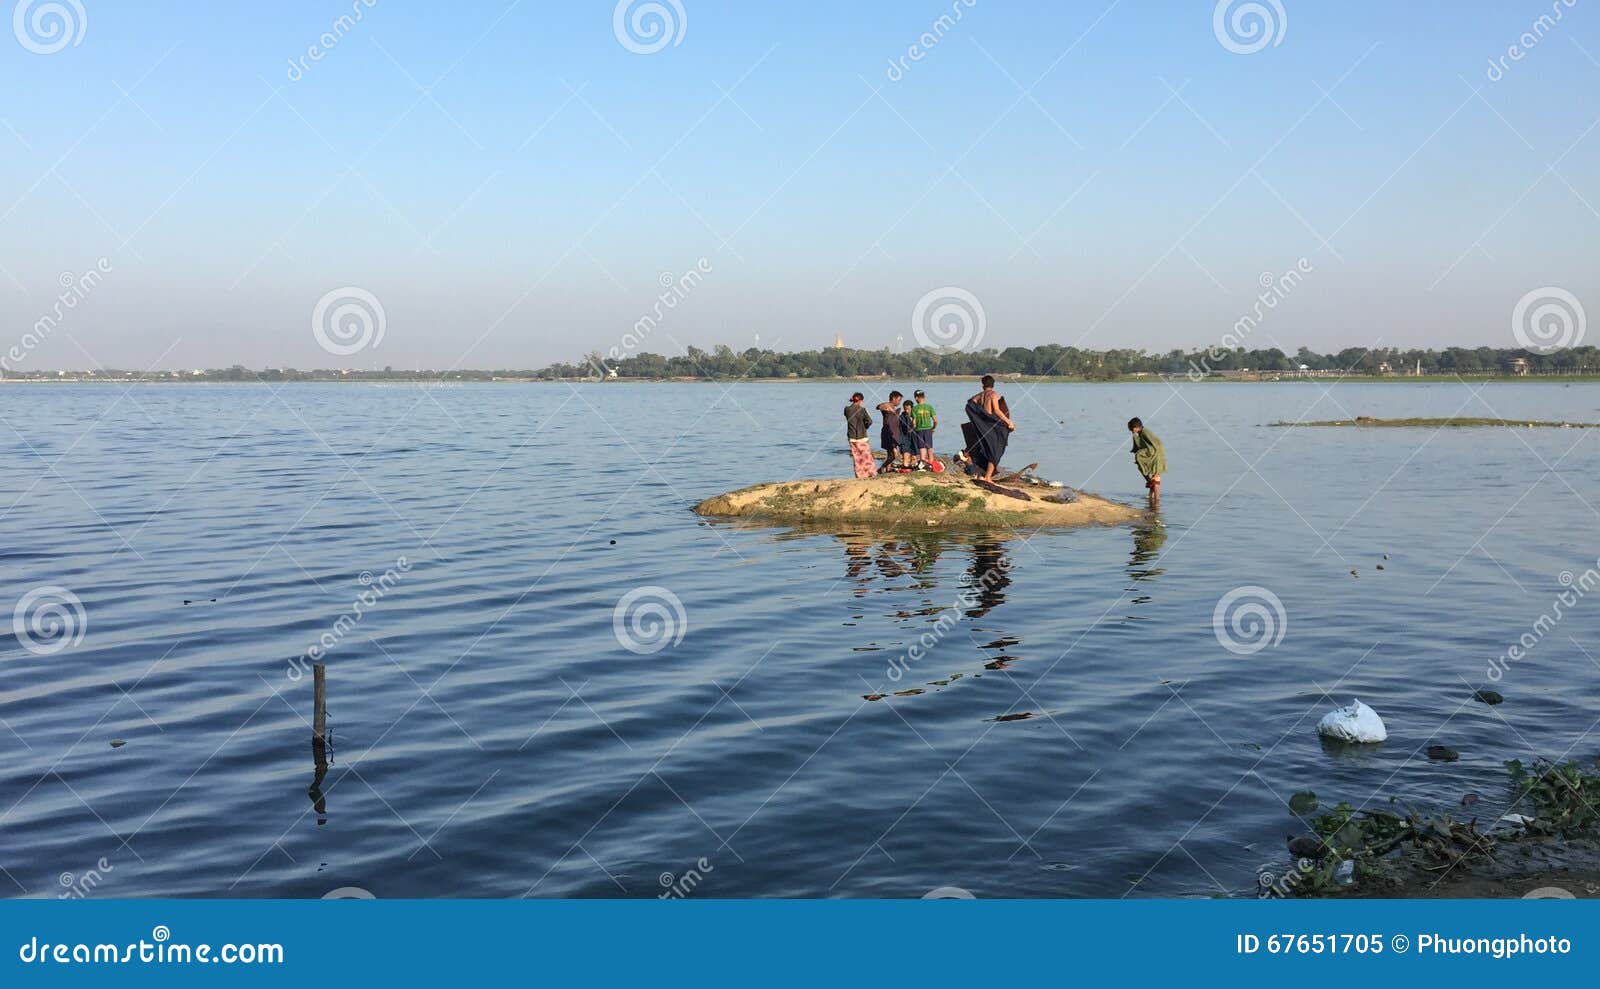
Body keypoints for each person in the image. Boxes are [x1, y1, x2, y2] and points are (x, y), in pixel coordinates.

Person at [964, 374, 1015, 482]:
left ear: (983, 385)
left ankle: (980, 472)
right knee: (996, 450)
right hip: (991, 425)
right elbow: (996, 411)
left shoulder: (980, 395)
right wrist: (1008, 421)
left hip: (983, 425)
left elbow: (970, 403)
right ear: (993, 384)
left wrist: (979, 417)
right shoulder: (993, 394)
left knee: (986, 448)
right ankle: (987, 477)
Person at [1128, 417, 1165, 502]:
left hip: (1157, 457)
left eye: (1131, 428)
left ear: (1136, 427)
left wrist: (1145, 454)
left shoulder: (1145, 433)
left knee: (1155, 481)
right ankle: (1151, 502)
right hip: (1155, 456)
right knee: (1153, 481)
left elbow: (1158, 444)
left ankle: (1156, 504)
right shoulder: (1140, 433)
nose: (1130, 430)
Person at [844, 392, 875, 479]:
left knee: (857, 457)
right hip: (862, 436)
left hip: (852, 436)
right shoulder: (862, 410)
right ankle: (870, 473)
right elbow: (869, 421)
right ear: (861, 400)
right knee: (867, 456)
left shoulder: (847, 409)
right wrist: (865, 427)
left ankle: (859, 475)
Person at [876, 391, 906, 472]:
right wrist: (886, 408)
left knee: (891, 454)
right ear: (893, 398)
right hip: (887, 432)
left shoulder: (895, 408)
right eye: (899, 400)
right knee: (893, 455)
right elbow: (878, 407)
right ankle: (882, 468)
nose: (899, 402)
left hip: (894, 432)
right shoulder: (887, 405)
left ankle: (887, 469)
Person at [910, 389, 937, 465]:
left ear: (916, 398)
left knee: (922, 448)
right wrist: (933, 428)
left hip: (919, 430)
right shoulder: (929, 407)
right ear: (924, 397)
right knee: (929, 448)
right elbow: (935, 421)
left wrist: (912, 428)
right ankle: (931, 463)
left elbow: (914, 423)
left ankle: (923, 463)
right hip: (928, 429)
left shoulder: (914, 409)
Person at [898, 399, 920, 468]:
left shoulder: (916, 416)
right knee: (905, 452)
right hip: (904, 437)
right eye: (905, 409)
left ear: (911, 408)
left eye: (908, 409)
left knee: (914, 455)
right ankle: (905, 465)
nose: (906, 411)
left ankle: (911, 466)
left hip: (914, 437)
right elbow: (903, 427)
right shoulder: (902, 416)